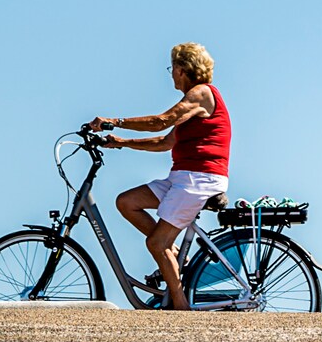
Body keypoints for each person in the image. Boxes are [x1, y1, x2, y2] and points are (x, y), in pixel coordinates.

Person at [90, 42, 231, 311]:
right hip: (183, 177)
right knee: (126, 202)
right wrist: (122, 142)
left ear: (181, 69)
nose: (171, 74)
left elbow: (161, 120)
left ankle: (180, 306)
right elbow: (164, 142)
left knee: (156, 242)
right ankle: (174, 256)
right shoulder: (193, 103)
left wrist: (115, 120)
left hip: (200, 178)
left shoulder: (201, 94)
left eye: (172, 68)